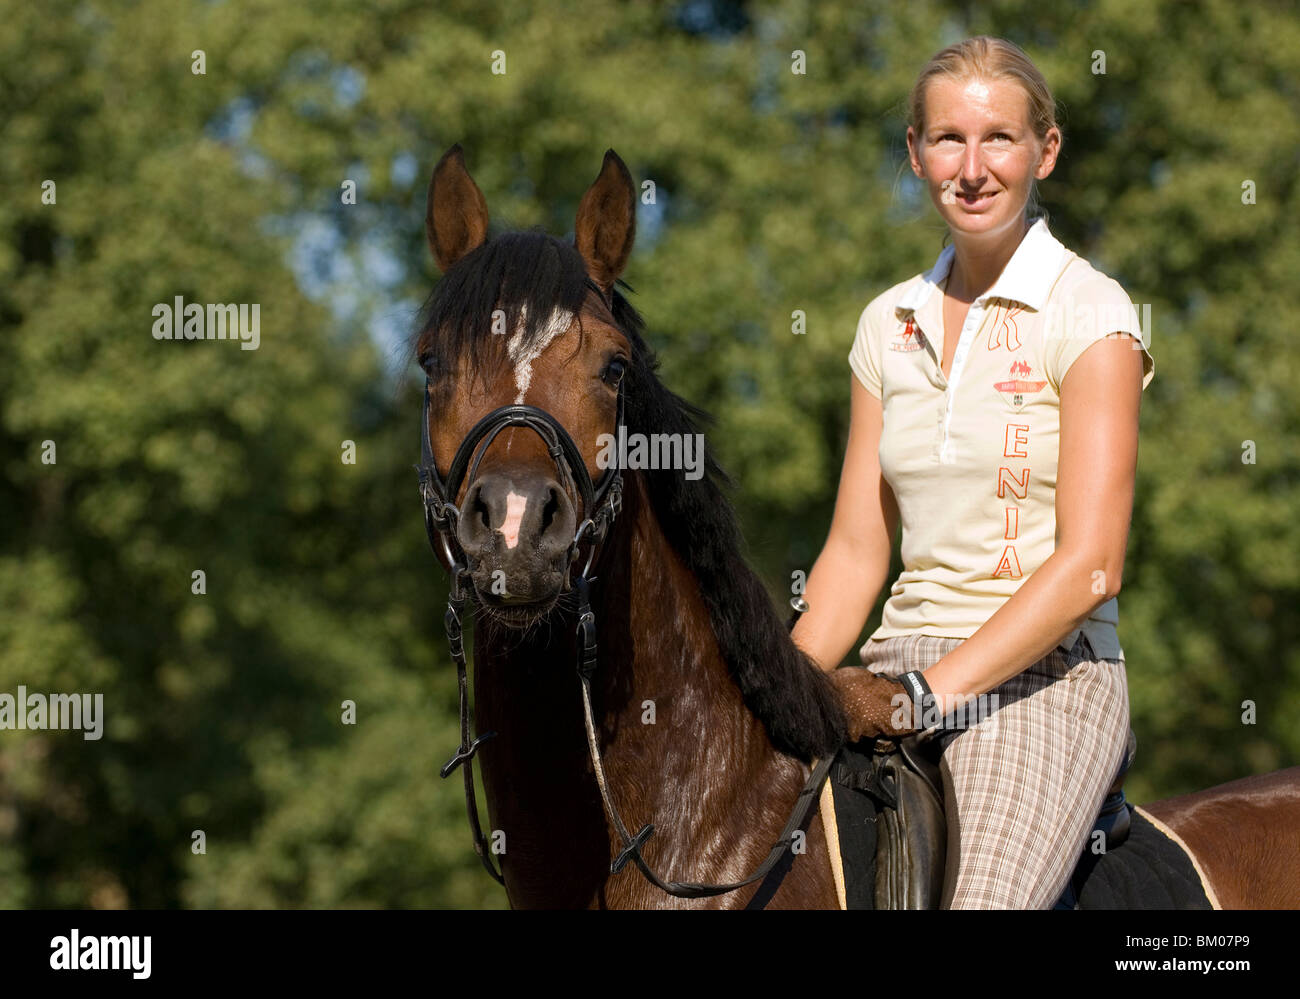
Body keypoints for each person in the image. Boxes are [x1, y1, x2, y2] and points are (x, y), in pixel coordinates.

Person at [792, 35, 1155, 909]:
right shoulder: (887, 323)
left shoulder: (1089, 309)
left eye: (999, 138)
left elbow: (1092, 565)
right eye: (949, 139)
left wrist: (932, 694)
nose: (974, 167)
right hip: (886, 674)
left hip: (1045, 681)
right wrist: (773, 684)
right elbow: (851, 557)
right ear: (916, 154)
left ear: (1046, 152)